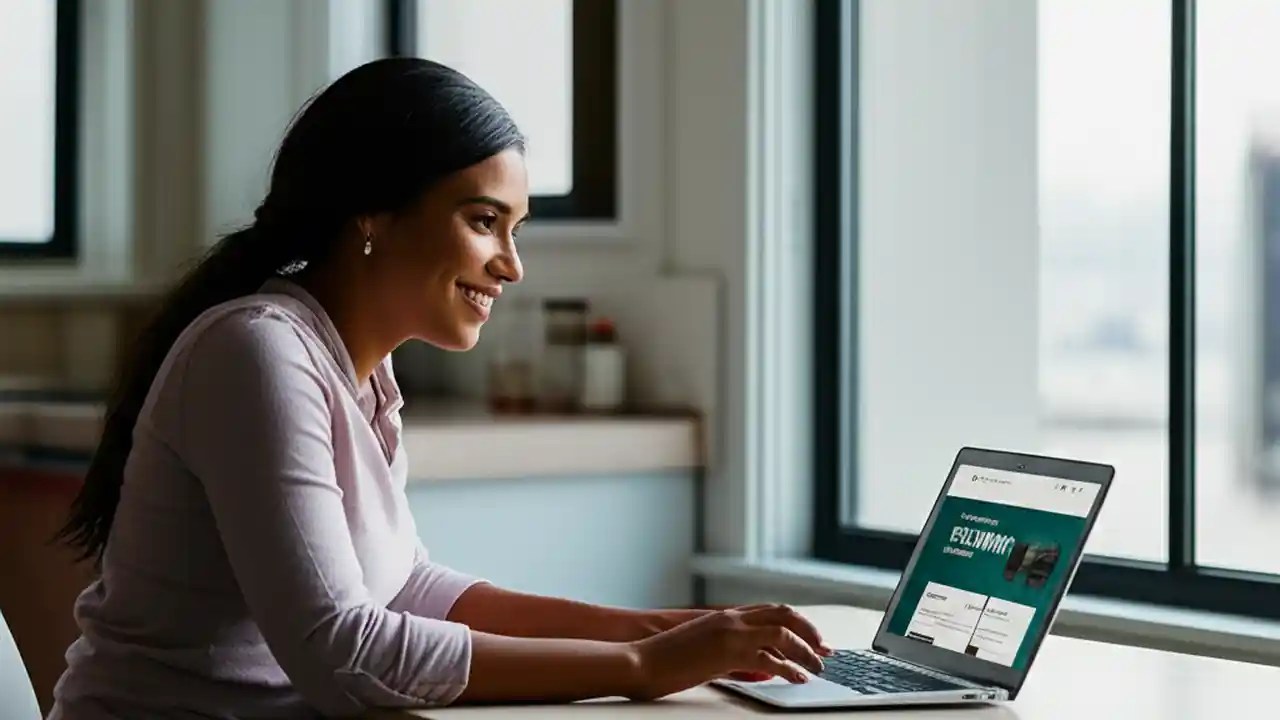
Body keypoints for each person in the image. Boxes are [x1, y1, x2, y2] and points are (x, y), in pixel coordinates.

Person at [48, 58, 829, 719]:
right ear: (373, 212)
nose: (511, 266)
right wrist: (642, 670)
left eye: (515, 229)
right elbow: (339, 649)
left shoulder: (359, 368)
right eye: (484, 220)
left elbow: (407, 586)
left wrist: (655, 629)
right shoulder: (256, 352)